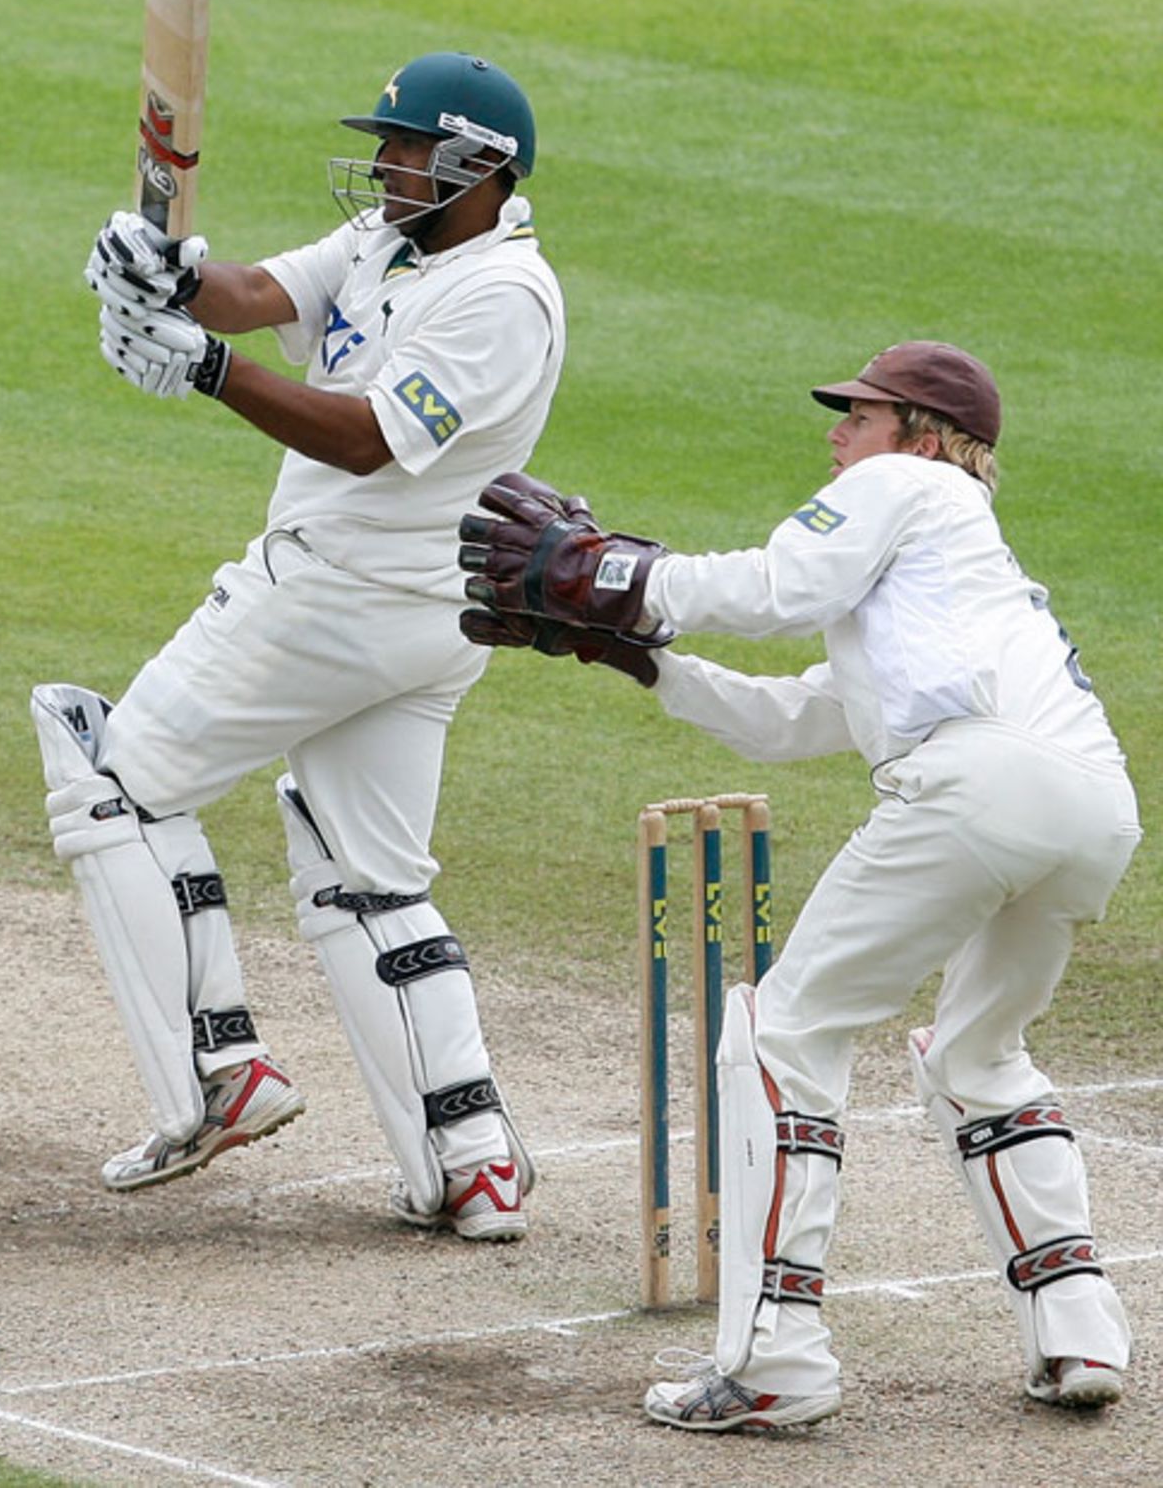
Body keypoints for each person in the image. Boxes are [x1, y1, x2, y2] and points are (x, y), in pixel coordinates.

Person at [455, 340, 1141, 1414]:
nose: (837, 433)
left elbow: (776, 587)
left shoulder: (907, 485)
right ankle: (1081, 1331)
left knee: (783, 1036)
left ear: (924, 436)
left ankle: (774, 1359)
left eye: (859, 415)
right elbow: (793, 719)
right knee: (979, 1053)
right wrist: (639, 656)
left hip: (975, 789)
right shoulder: (953, 586)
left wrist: (610, 575)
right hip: (1094, 811)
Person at [31, 51, 565, 1243]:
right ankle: (470, 1163)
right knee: (369, 879)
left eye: (405, 146)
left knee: (112, 787)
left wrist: (212, 372)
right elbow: (256, 291)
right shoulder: (392, 242)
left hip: (339, 597)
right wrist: (166, 273)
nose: (382, 162)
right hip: (426, 621)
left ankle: (220, 1072)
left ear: (479, 167)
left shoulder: (503, 300)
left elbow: (370, 439)